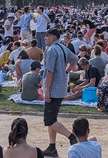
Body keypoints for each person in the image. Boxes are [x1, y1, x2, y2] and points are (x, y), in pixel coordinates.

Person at [42, 28, 79, 157]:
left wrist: (46, 90)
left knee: (49, 120)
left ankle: (71, 136)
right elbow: (75, 60)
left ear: (53, 37)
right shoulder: (63, 47)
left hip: (53, 89)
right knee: (52, 119)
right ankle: (52, 147)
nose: (45, 38)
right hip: (61, 87)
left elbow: (49, 71)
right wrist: (66, 72)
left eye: (47, 36)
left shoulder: (52, 49)